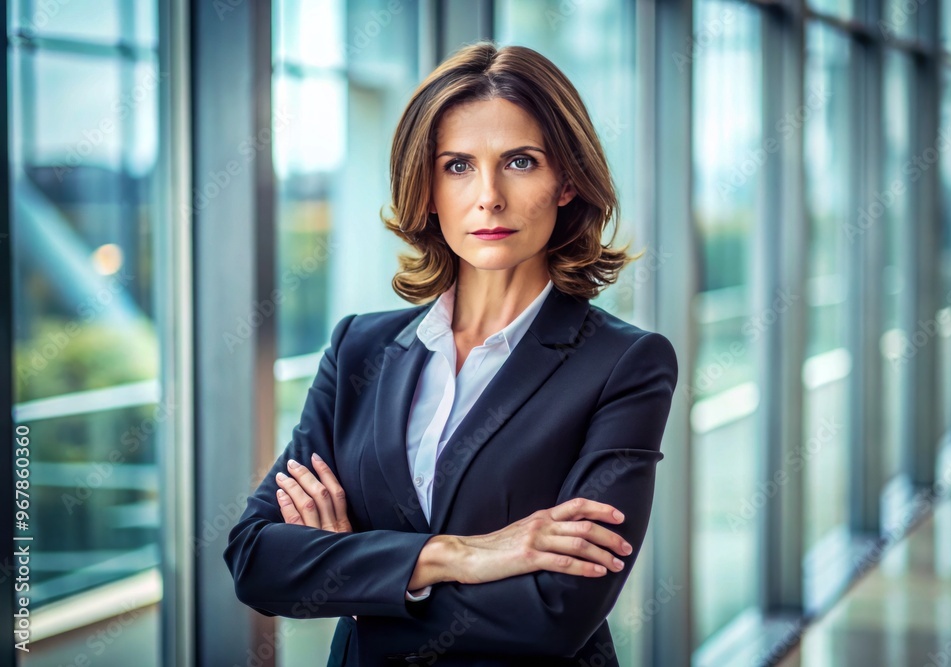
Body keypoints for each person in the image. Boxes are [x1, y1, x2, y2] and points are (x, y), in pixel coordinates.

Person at [223, 40, 678, 667]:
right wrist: (460, 555)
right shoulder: (360, 347)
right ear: (427, 188)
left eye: (520, 161)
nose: (488, 196)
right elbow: (254, 559)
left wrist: (359, 581)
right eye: (457, 166)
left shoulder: (625, 364)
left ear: (567, 181)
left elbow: (553, 617)